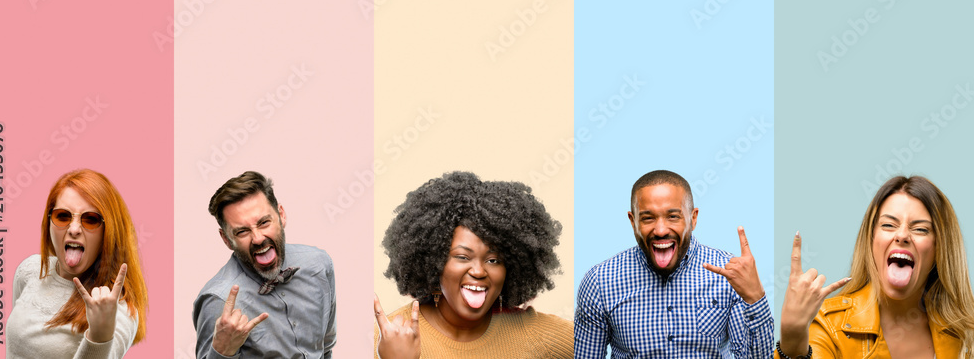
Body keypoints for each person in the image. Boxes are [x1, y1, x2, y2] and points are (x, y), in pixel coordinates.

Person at [575, 169, 773, 358]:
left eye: (673, 217)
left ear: (693, 219)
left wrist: (755, 298)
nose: (661, 230)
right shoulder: (599, 282)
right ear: (633, 221)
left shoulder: (729, 274)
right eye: (648, 218)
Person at [374, 171, 573, 358]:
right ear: (434, 263)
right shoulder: (386, 340)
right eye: (462, 257)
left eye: (493, 260)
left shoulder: (535, 334)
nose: (478, 271)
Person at [776, 176, 974, 358]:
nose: (902, 235)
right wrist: (792, 342)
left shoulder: (966, 334)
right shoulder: (829, 325)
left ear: (940, 248)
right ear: (871, 240)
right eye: (888, 225)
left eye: (920, 229)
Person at [6, 168, 148, 358]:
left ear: (109, 231)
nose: (74, 229)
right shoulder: (29, 270)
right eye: (62, 216)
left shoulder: (117, 308)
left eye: (90, 220)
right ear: (48, 222)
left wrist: (99, 336)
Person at [193, 171, 336, 359]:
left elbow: (325, 347)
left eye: (264, 222)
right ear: (226, 239)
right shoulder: (218, 300)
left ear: (281, 215)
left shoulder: (319, 265)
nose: (258, 238)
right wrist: (221, 352)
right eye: (242, 231)